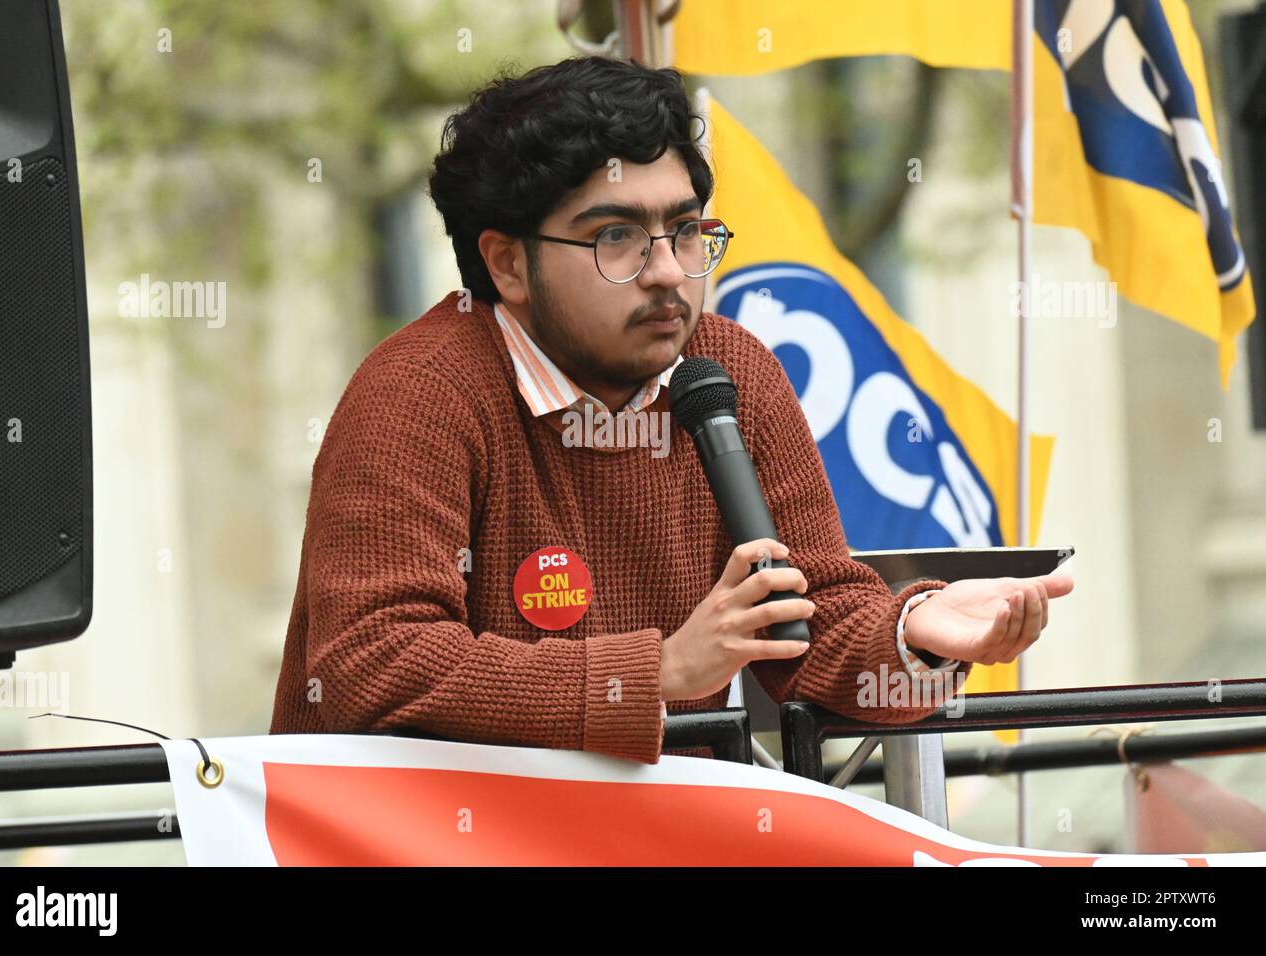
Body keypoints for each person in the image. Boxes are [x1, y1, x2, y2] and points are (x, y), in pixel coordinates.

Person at [268, 55, 1073, 763]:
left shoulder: (732, 369)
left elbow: (806, 627)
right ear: (507, 263)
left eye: (685, 231)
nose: (667, 273)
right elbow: (370, 664)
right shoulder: (418, 393)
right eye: (617, 237)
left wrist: (917, 633)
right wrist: (654, 674)